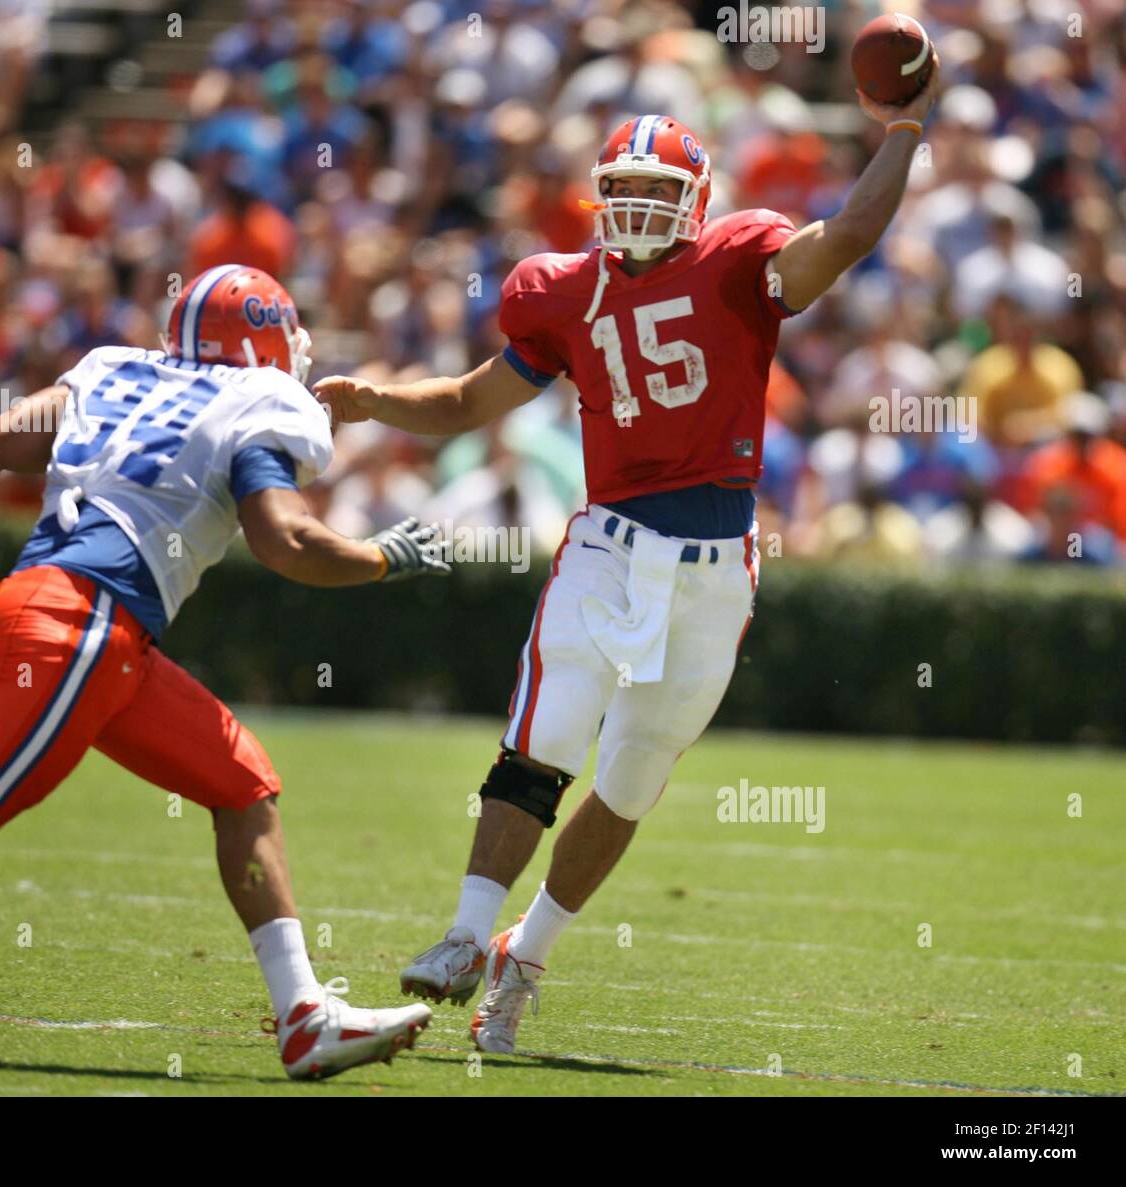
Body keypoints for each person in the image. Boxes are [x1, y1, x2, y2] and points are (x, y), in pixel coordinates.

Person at [316, 73, 941, 1055]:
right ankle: (463, 933)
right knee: (550, 730)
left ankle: (524, 957)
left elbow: (850, 235)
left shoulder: (743, 260)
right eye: (625, 188)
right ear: (599, 196)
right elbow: (470, 404)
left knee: (634, 777)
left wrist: (904, 125)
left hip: (715, 563)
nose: (640, 207)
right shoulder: (561, 289)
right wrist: (375, 401)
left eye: (660, 190)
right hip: (609, 541)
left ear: (695, 202)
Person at [0, 266, 450, 1081]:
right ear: (263, 338)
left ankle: (304, 1016)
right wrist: (381, 558)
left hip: (70, 620)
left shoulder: (110, 370)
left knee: (242, 784)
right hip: (81, 628)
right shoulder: (261, 405)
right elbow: (285, 542)